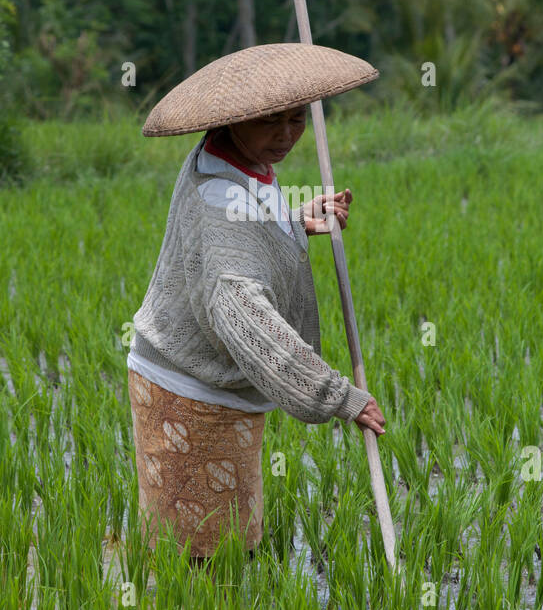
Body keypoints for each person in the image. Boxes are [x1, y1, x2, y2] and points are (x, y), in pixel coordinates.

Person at [127, 42, 387, 562]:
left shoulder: (237, 160)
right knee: (197, 556)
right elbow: (246, 316)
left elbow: (250, 222)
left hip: (216, 388)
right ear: (233, 120)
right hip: (191, 394)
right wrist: (339, 396)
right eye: (272, 122)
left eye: (297, 120)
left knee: (228, 545)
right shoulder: (218, 196)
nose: (287, 135)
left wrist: (296, 220)